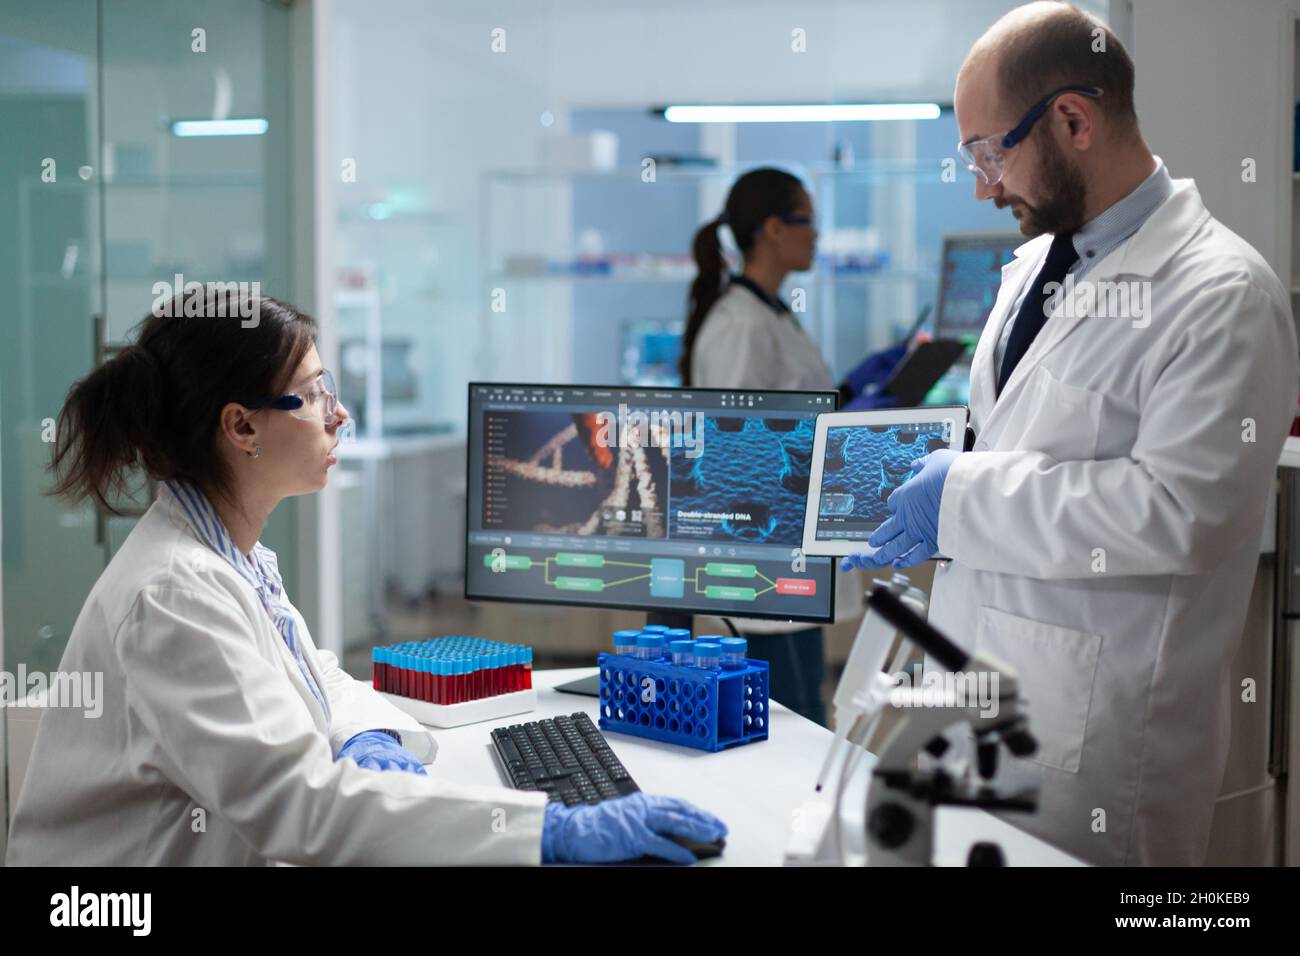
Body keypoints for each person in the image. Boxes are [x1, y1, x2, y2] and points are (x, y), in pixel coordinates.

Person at [5, 289, 725, 866]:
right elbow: (304, 807)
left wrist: (363, 735)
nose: (340, 415)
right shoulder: (174, 594)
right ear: (242, 427)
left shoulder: (226, 555)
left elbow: (312, 678)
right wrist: (548, 833)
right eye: (316, 394)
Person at [842, 1, 1298, 865]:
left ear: (1073, 120)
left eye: (989, 152)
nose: (983, 183)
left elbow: (1183, 510)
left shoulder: (1220, 294)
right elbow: (1022, 445)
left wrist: (964, 495)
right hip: (981, 712)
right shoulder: (1030, 270)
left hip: (1101, 754)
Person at [681, 167, 904, 725]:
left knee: (804, 715)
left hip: (790, 560)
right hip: (764, 568)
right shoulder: (741, 326)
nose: (818, 235)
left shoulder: (769, 313)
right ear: (774, 229)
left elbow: (782, 408)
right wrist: (842, 423)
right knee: (786, 727)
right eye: (808, 220)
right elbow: (731, 451)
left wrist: (849, 393)